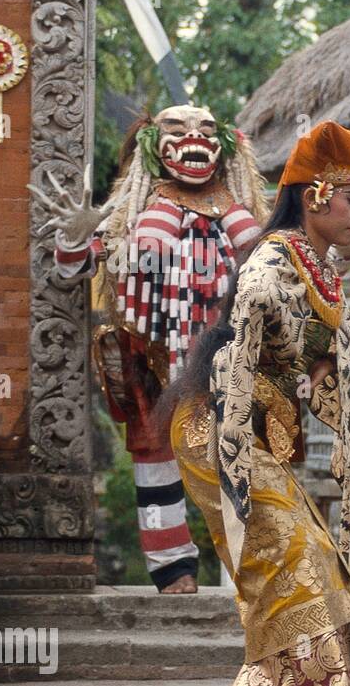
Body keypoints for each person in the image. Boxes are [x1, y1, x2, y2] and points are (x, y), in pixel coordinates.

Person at [161, 120, 350, 686]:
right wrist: (239, 477)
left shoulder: (315, 267)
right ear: (317, 196)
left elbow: (319, 366)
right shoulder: (268, 267)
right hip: (216, 428)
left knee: (309, 549)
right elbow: (233, 367)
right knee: (288, 548)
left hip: (254, 427)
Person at [31, 104, 271, 594]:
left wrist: (335, 258)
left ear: (225, 145)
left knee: (240, 454)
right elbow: (73, 269)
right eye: (176, 128)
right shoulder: (131, 216)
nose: (192, 136)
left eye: (206, 128)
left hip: (229, 352)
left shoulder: (244, 216)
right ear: (152, 145)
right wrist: (76, 239)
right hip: (152, 351)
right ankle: (173, 571)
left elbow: (285, 271)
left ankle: (243, 573)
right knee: (156, 455)